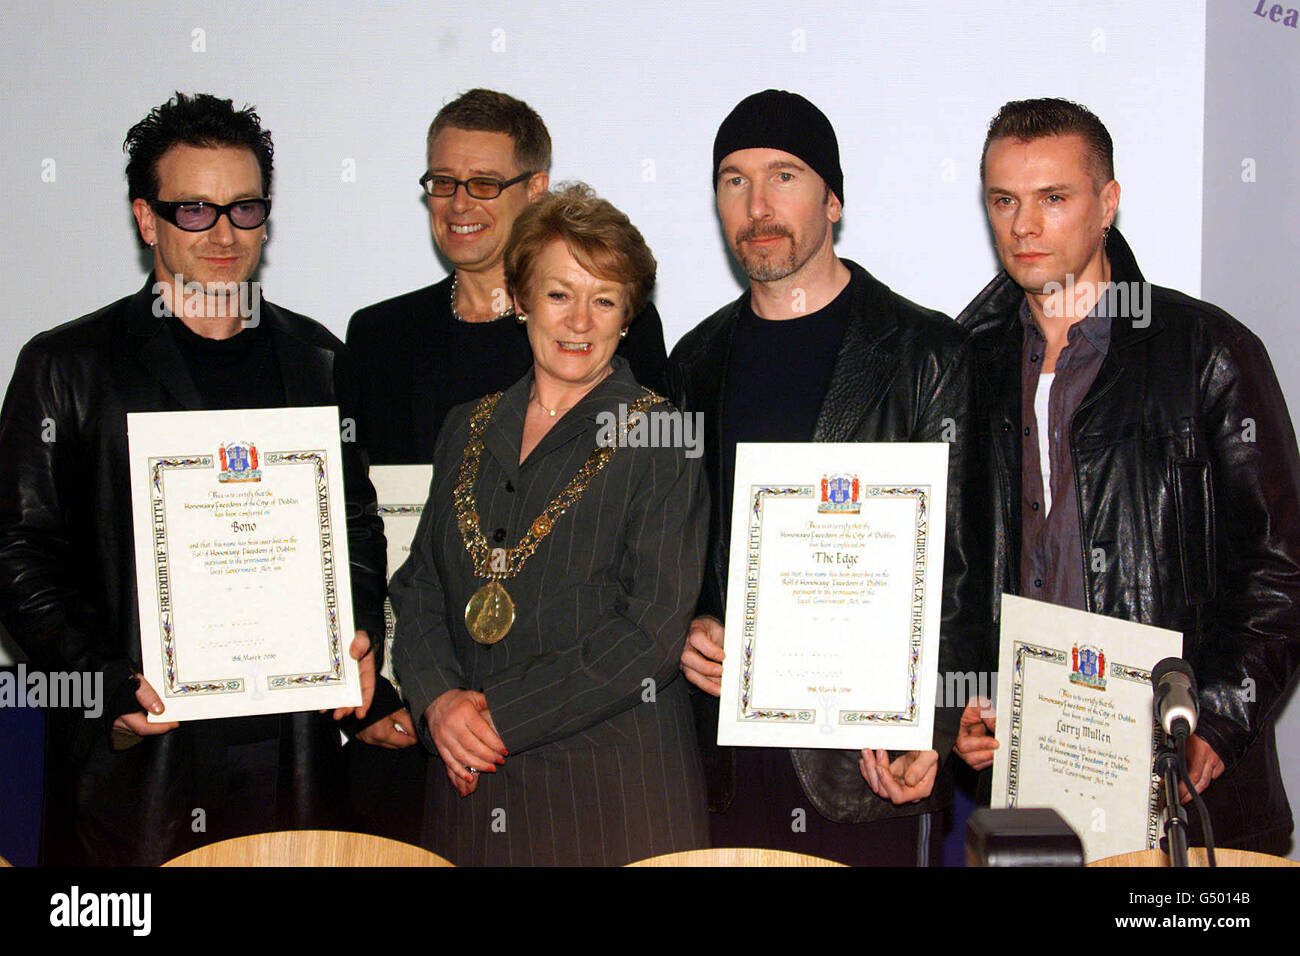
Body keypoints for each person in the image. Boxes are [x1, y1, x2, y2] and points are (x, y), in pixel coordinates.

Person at [0, 92, 389, 865]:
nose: (223, 233)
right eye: (194, 211)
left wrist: (361, 628)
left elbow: (355, 521)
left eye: (244, 209)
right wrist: (105, 685)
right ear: (147, 220)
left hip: (295, 751)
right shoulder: (68, 364)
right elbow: (18, 552)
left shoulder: (318, 358)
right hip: (139, 764)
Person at [954, 97, 1300, 854]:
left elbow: (1281, 567)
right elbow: (952, 568)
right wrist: (963, 705)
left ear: (1107, 203)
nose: (1024, 226)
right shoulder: (962, 365)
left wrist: (1213, 720)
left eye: (1054, 198)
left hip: (1184, 793)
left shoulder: (1206, 351)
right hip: (1023, 799)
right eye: (1003, 200)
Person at [670, 90, 986, 865]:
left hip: (865, 769)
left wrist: (938, 730)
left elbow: (964, 569)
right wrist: (679, 627)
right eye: (734, 180)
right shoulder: (695, 362)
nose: (757, 204)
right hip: (726, 768)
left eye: (784, 176)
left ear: (834, 200)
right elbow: (667, 546)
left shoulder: (926, 354)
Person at [390, 183, 709, 866]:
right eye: (560, 293)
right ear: (520, 298)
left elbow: (649, 633)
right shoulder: (466, 426)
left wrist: (494, 717)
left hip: (610, 796)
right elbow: (418, 585)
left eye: (605, 300)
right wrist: (439, 703)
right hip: (468, 790)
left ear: (628, 317)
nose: (580, 322)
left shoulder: (664, 437)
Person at [346, 89, 670, 465]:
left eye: (484, 184)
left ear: (535, 190)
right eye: (444, 182)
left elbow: (649, 473)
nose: (459, 203)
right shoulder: (379, 336)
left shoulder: (606, 327)